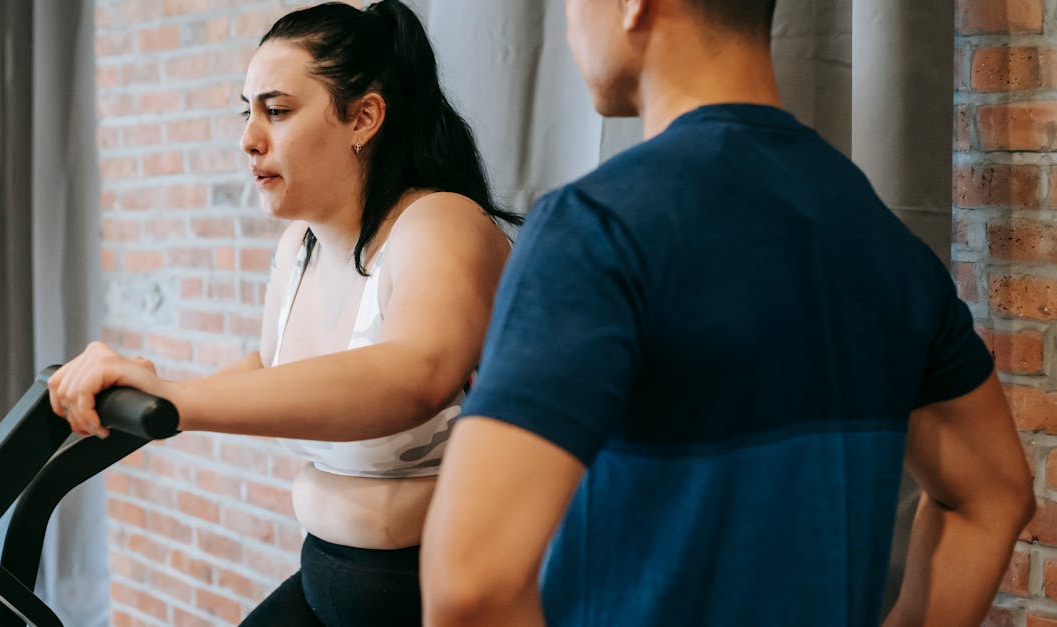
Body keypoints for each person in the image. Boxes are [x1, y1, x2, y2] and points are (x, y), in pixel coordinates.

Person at [420, 1, 1036, 626]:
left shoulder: (598, 230)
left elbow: (471, 586)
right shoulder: (882, 242)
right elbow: (993, 495)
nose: (571, 21)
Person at [48, 2, 518, 625]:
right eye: (247, 111)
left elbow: (413, 375)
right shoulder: (299, 247)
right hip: (327, 576)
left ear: (364, 118)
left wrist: (182, 399)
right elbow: (271, 367)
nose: (248, 137)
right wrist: (154, 400)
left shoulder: (441, 222)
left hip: (435, 595)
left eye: (277, 109)